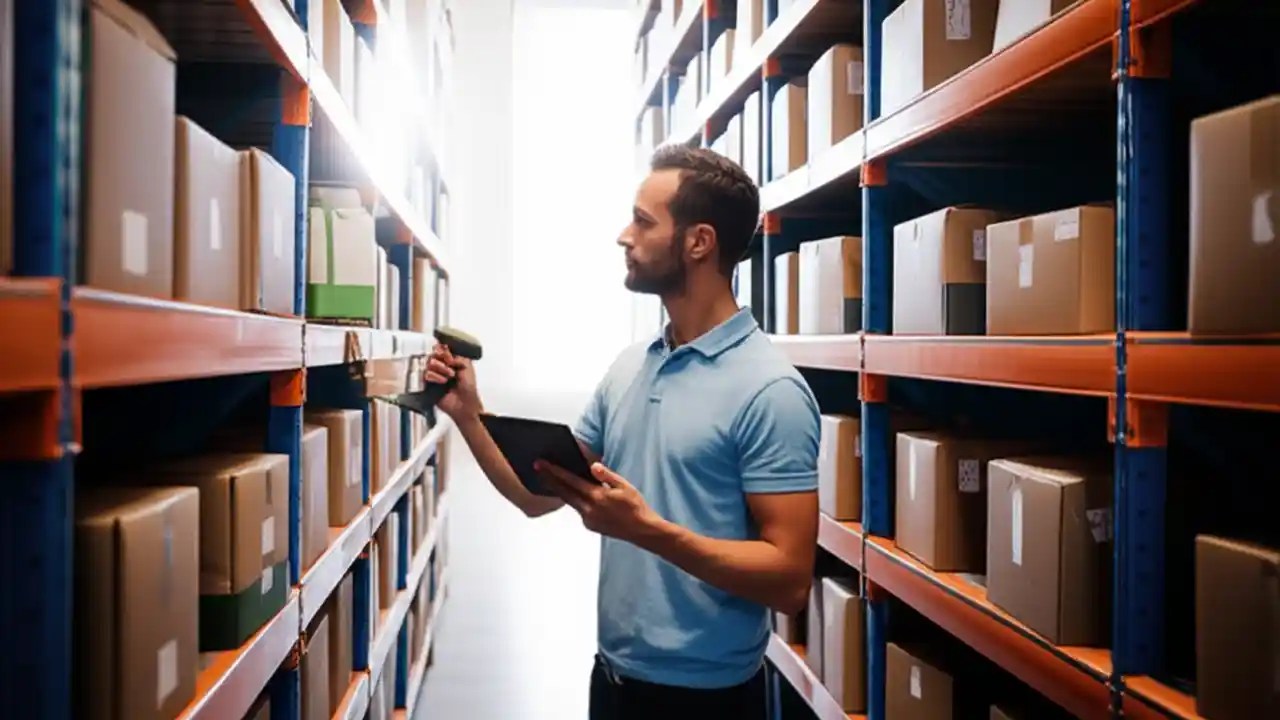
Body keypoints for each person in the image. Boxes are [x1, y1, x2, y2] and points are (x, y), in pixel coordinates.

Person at [426, 145, 820, 719]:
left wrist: (648, 531)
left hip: (708, 702)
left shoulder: (770, 391)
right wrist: (468, 412)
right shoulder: (632, 366)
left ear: (698, 242)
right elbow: (537, 495)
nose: (623, 235)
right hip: (612, 682)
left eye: (643, 220)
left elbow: (789, 581)